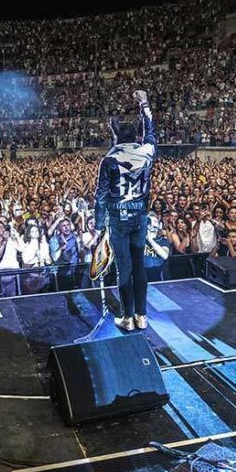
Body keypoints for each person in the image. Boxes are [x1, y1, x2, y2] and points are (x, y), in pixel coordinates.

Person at [94, 90, 155, 331]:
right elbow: (151, 131)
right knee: (139, 265)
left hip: (119, 218)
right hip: (140, 216)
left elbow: (101, 195)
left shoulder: (109, 159)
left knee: (124, 268)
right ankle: (142, 316)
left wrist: (99, 226)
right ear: (136, 137)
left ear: (117, 137)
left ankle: (127, 318)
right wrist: (144, 103)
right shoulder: (147, 152)